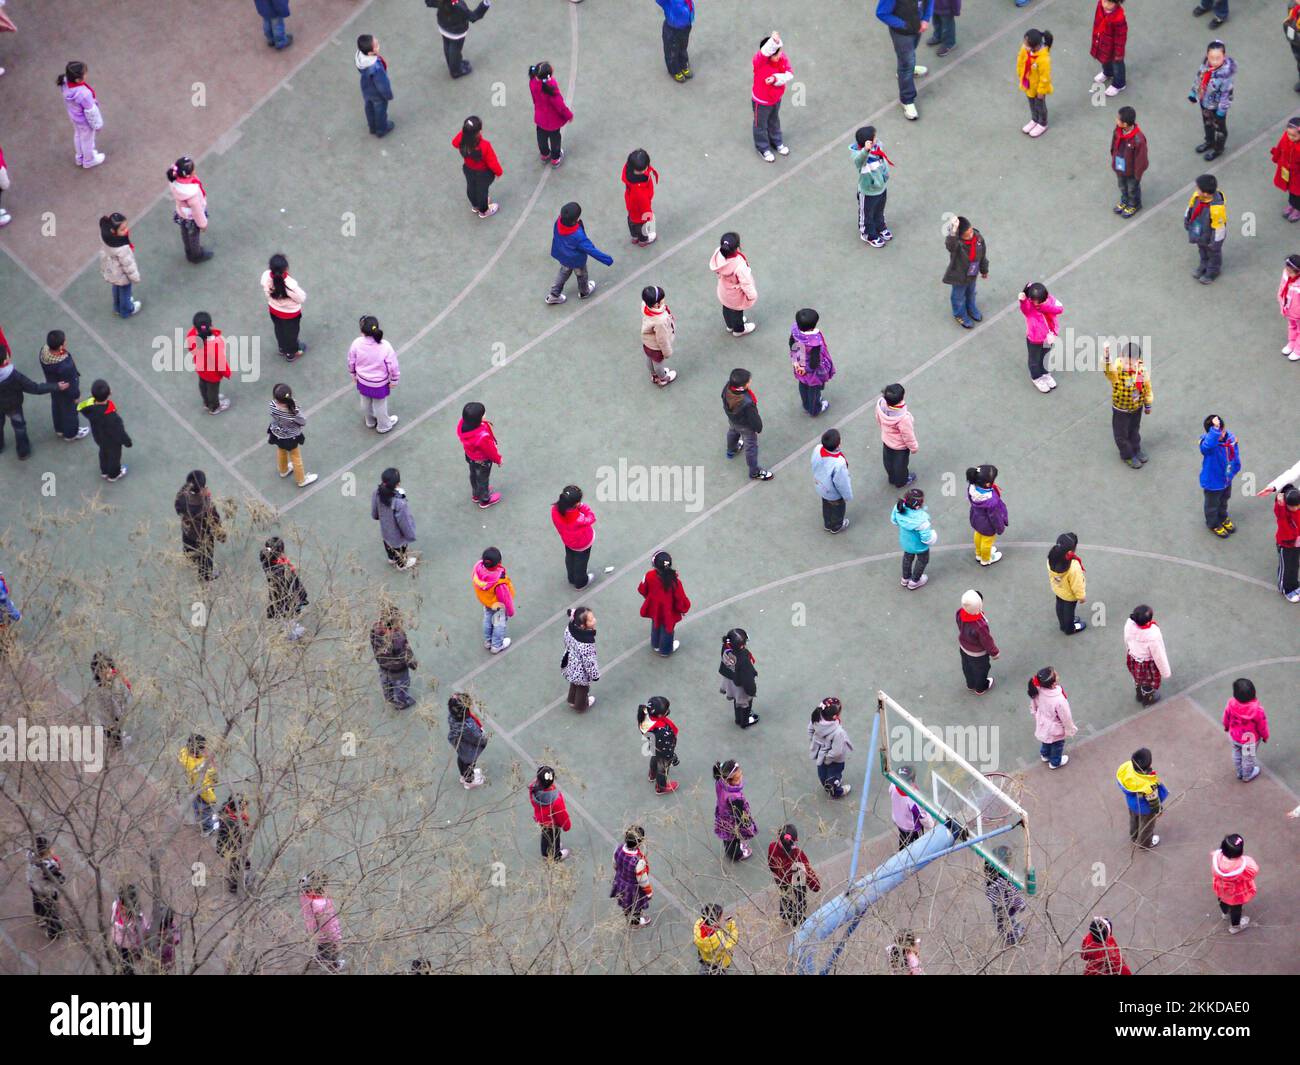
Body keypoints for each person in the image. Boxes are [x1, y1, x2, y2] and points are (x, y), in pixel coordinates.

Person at [1, 343, 65, 461]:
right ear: (5, 360)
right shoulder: (14, 376)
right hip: (13, 405)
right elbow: (35, 388)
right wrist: (55, 386)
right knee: (19, 427)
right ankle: (23, 452)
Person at [545, 201, 612, 304]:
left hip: (563, 256)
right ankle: (584, 291)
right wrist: (607, 259)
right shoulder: (577, 236)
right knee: (581, 274)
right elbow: (591, 250)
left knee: (563, 272)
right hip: (576, 260)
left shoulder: (558, 222)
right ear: (574, 220)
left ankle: (554, 294)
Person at [876, 0, 932, 121]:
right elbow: (882, 13)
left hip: (916, 28)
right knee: (907, 64)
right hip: (902, 33)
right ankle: (907, 100)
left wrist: (925, 19)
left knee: (909, 56)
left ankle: (908, 70)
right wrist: (904, 25)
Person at [1102, 340, 1152, 468]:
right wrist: (1107, 357)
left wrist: (1147, 403)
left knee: (1134, 430)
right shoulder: (1117, 371)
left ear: (1137, 360)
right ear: (1121, 357)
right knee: (1121, 434)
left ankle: (1136, 449)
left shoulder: (1141, 370)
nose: (1128, 365)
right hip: (1121, 409)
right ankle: (1127, 455)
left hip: (1136, 407)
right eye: (1126, 362)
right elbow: (1108, 371)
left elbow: (1146, 387)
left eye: (1131, 363)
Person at [348, 315, 399, 433]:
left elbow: (351, 360)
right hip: (379, 382)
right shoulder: (385, 345)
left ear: (362, 331)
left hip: (362, 379)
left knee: (365, 400)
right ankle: (384, 426)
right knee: (380, 404)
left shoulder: (356, 343)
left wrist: (353, 374)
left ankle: (370, 421)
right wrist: (394, 380)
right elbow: (393, 365)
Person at [722, 368, 773, 481]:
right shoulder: (747, 402)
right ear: (742, 386)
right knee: (751, 447)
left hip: (733, 419)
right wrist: (758, 428)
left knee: (733, 431)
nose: (750, 381)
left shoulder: (727, 387)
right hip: (746, 426)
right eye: (748, 381)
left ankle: (731, 450)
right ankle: (754, 471)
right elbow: (754, 419)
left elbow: (723, 398)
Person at [75, 378, 130, 481]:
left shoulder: (89, 403)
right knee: (114, 457)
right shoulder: (113, 417)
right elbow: (120, 432)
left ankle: (104, 471)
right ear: (110, 393)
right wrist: (127, 442)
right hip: (111, 441)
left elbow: (80, 406)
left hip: (98, 436)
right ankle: (114, 475)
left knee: (103, 452)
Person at [637, 550, 690, 656]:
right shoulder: (675, 582)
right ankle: (665, 650)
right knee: (667, 629)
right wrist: (683, 609)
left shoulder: (649, 575)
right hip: (668, 611)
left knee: (656, 624)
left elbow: (642, 589)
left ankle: (655, 644)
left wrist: (650, 599)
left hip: (654, 607)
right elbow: (680, 599)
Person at [39, 330, 88, 442]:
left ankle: (59, 429)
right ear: (61, 346)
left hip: (53, 387)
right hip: (66, 392)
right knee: (70, 412)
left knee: (57, 407)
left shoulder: (44, 352)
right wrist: (76, 396)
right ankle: (71, 434)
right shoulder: (65, 365)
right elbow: (72, 382)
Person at [768, 825, 821, 927]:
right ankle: (799, 917)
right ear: (794, 841)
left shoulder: (772, 847)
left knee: (785, 897)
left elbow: (771, 865)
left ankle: (785, 915)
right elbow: (808, 872)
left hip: (781, 879)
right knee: (800, 898)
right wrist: (816, 886)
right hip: (797, 879)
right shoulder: (798, 855)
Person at [751, 33, 794, 162]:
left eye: (780, 51)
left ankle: (777, 141)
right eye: (777, 53)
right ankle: (763, 148)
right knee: (760, 125)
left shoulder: (781, 58)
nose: (780, 55)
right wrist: (773, 42)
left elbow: (789, 74)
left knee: (774, 120)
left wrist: (776, 78)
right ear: (769, 54)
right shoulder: (759, 63)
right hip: (761, 102)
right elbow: (763, 53)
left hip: (775, 98)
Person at [174, 471, 224, 580]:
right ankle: (206, 575)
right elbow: (215, 522)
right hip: (202, 536)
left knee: (188, 547)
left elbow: (177, 508)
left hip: (187, 531)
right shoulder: (206, 506)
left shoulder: (182, 496)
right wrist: (221, 536)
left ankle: (190, 558)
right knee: (206, 557)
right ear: (202, 488)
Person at [1189, 42, 1234, 161]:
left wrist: (1221, 112)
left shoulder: (1225, 75)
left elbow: (1227, 95)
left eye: (1218, 58)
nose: (1214, 61)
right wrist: (1194, 92)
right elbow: (1199, 77)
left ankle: (1218, 149)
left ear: (1223, 56)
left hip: (1217, 107)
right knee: (1207, 123)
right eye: (1211, 58)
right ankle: (1209, 141)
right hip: (1205, 102)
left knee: (1220, 128)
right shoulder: (1205, 65)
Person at [942, 216, 988, 328]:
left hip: (972, 274)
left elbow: (982, 255)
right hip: (959, 277)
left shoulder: (978, 238)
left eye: (971, 230)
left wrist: (984, 269)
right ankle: (960, 314)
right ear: (960, 235)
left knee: (971, 293)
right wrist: (954, 229)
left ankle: (971, 307)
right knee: (958, 297)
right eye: (968, 232)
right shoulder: (957, 245)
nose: (971, 233)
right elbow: (950, 244)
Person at [1199, 413, 1241, 537]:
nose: (1221, 434)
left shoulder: (1230, 438)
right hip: (1213, 482)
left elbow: (1235, 454)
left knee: (1224, 499)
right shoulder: (1207, 444)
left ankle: (1223, 517)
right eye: (1218, 431)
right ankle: (1213, 523)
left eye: (1222, 430)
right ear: (1211, 432)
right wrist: (1215, 431)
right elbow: (1207, 446)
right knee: (1212, 505)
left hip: (1226, 478)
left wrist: (1235, 468)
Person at [267, 383, 317, 487]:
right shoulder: (293, 411)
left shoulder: (272, 405)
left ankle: (283, 470)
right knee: (295, 457)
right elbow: (303, 421)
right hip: (291, 437)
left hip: (277, 433)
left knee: (281, 451)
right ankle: (301, 480)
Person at [1116, 747, 1167, 848]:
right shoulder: (1147, 785)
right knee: (1147, 826)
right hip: (1145, 809)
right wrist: (1158, 810)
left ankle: (1134, 836)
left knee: (1134, 819)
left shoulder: (1125, 769)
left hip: (1132, 803)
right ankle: (1145, 843)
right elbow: (1153, 801)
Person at [452, 116, 502, 218]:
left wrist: (464, 132)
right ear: (478, 132)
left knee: (471, 187)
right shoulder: (485, 145)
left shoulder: (462, 140)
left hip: (468, 170)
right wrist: (498, 172)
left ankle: (475, 205)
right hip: (483, 173)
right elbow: (492, 162)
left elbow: (454, 143)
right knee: (482, 191)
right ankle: (484, 210)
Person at [851, 125, 892, 247]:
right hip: (868, 191)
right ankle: (868, 234)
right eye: (874, 137)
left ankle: (880, 227)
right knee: (867, 214)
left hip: (881, 187)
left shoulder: (877, 147)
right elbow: (859, 161)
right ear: (867, 142)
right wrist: (866, 150)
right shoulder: (859, 155)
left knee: (879, 210)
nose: (876, 139)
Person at [58, 61, 104, 168]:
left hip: (74, 117)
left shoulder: (65, 84)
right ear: (78, 79)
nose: (86, 74)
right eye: (85, 73)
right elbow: (91, 111)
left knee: (78, 135)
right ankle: (89, 160)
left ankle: (80, 157)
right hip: (84, 121)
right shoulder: (84, 93)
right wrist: (98, 125)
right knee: (88, 140)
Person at [260, 536, 308, 641]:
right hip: (284, 594)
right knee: (286, 611)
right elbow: (292, 584)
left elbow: (264, 553)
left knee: (281, 610)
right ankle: (291, 634)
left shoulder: (267, 561)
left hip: (276, 593)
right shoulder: (281, 570)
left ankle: (286, 627)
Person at [1028, 667, 1076, 769]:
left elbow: (1034, 704)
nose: (1058, 675)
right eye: (1056, 675)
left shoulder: (1037, 689)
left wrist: (1036, 714)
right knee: (1057, 745)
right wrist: (1069, 729)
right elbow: (1066, 717)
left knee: (1046, 740)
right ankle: (1055, 762)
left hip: (1043, 723)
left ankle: (1045, 755)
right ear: (1053, 683)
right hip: (1055, 727)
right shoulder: (1059, 700)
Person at [371, 605, 419, 709]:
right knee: (401, 687)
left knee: (386, 683)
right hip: (398, 671)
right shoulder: (398, 638)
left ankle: (389, 697)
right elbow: (406, 654)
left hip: (383, 666)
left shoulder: (375, 629)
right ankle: (402, 702)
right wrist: (414, 665)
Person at [789, 307, 834, 416]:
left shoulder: (795, 330)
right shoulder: (814, 342)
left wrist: (798, 364)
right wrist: (808, 369)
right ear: (811, 327)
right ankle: (815, 409)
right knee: (814, 389)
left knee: (803, 384)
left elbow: (791, 343)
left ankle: (805, 405)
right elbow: (814, 363)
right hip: (811, 372)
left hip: (798, 363)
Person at [261, 253, 307, 362]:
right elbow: (301, 298)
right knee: (291, 333)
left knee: (279, 329)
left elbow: (266, 291)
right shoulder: (290, 285)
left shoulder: (266, 276)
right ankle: (291, 353)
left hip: (274, 310)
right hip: (291, 314)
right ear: (286, 268)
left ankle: (282, 348)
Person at [456, 401, 502, 507]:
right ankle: (484, 499)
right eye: (483, 413)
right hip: (483, 461)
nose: (485, 414)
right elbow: (490, 451)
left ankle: (476, 494)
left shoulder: (463, 427)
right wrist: (498, 459)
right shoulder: (482, 436)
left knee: (474, 474)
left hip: (470, 457)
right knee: (483, 479)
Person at [710, 232, 757, 335]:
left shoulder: (718, 253)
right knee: (737, 311)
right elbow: (746, 283)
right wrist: (752, 296)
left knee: (726, 307)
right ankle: (739, 330)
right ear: (737, 247)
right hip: (736, 295)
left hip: (724, 289)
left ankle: (730, 325)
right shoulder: (739, 265)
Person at [1223, 678, 1269, 782]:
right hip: (1250, 739)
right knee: (1249, 758)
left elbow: (1226, 716)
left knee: (1237, 752)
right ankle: (1247, 775)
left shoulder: (1231, 703)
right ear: (1253, 693)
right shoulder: (1258, 710)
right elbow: (1262, 725)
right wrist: (1265, 736)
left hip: (1234, 735)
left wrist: (1226, 726)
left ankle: (1240, 771)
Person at [371, 467, 418, 569]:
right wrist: (410, 535)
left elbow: (375, 512)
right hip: (397, 535)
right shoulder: (399, 502)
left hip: (385, 530)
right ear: (398, 483)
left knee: (387, 543)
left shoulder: (377, 493)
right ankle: (402, 564)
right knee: (400, 547)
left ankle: (391, 558)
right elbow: (404, 522)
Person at [1124, 605, 1172, 705]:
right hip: (1147, 663)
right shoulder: (1152, 634)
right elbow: (1158, 654)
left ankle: (1139, 693)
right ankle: (1148, 698)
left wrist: (1129, 650)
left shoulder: (1129, 625)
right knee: (1148, 681)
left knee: (1138, 677)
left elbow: (1126, 639)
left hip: (1133, 657)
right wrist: (1165, 672)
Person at [1018, 282, 1062, 392]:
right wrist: (1022, 301)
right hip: (1035, 339)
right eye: (1035, 301)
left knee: (1045, 355)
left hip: (1049, 337)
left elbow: (1059, 309)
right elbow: (1024, 309)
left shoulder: (1049, 300)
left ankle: (1045, 373)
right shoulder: (1029, 306)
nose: (1037, 303)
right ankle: (1036, 378)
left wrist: (1044, 306)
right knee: (1034, 359)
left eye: (1040, 301)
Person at [167, 156, 212, 263]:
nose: (195, 170)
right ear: (188, 174)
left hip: (182, 214)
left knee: (184, 232)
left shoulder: (174, 181)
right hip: (192, 218)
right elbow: (197, 212)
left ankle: (188, 250)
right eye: (193, 169)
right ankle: (196, 255)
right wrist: (203, 224)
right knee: (194, 236)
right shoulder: (192, 194)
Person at [891, 487, 936, 590]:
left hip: (906, 542)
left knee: (907, 557)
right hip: (920, 546)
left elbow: (894, 520)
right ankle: (915, 581)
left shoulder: (898, 507)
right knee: (922, 560)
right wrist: (933, 535)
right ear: (917, 506)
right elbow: (927, 539)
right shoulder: (922, 520)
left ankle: (905, 578)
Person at [1185, 173, 1228, 284]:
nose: (1196, 190)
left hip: (1210, 236)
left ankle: (1213, 271)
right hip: (1199, 230)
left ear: (1205, 193)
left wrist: (1215, 243)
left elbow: (1219, 229)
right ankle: (1204, 264)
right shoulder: (1197, 196)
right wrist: (1187, 220)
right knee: (1202, 249)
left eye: (1198, 188)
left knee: (1213, 254)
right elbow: (1190, 208)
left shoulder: (1216, 209)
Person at [551, 484, 596, 588]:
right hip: (582, 543)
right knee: (581, 562)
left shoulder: (554, 510)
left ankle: (571, 577)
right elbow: (591, 517)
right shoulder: (578, 519)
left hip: (568, 541)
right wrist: (582, 506)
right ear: (575, 503)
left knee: (570, 557)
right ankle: (581, 582)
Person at [1211, 834, 1258, 934]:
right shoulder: (1244, 865)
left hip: (1221, 887)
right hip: (1236, 892)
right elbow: (1253, 871)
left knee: (1221, 899)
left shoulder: (1217, 857)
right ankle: (1235, 927)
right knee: (1236, 908)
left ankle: (1225, 913)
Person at [808, 697, 854, 799]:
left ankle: (829, 783)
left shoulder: (816, 717)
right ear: (835, 716)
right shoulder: (838, 732)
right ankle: (837, 792)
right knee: (834, 775)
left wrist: (813, 741)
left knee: (822, 774)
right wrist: (827, 759)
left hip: (820, 753)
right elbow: (837, 752)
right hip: (834, 760)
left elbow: (810, 729)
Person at [186, 312, 231, 415]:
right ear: (210, 324)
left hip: (200, 367)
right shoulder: (215, 343)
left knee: (203, 384)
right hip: (213, 373)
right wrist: (227, 373)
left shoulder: (191, 336)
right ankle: (214, 407)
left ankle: (206, 403)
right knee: (213, 389)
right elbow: (220, 362)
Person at [299, 872, 345, 971]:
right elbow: (327, 925)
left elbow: (301, 883)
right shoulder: (320, 904)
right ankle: (331, 967)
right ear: (321, 888)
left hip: (316, 935)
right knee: (329, 960)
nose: (328, 888)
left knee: (323, 956)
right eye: (326, 885)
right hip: (327, 937)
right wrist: (336, 940)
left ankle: (324, 964)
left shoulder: (306, 898)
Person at [473, 547, 515, 654]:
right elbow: (505, 598)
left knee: (487, 619)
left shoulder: (477, 568)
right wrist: (510, 611)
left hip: (486, 602)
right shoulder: (499, 582)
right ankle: (496, 645)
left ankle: (488, 641)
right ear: (499, 563)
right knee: (499, 624)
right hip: (498, 606)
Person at [956, 589, 999, 694]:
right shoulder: (980, 625)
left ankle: (970, 684)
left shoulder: (959, 613)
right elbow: (986, 640)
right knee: (981, 670)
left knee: (967, 666)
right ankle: (981, 688)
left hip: (963, 647)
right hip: (978, 654)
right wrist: (994, 652)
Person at [98, 213, 141, 318]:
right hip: (122, 274)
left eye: (126, 227)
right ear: (113, 231)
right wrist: (135, 278)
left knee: (116, 287)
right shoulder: (122, 248)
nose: (126, 230)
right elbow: (128, 266)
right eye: (122, 229)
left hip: (111, 271)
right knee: (125, 291)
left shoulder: (105, 236)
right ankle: (127, 310)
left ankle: (117, 307)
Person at [529, 61, 572, 166]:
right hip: (553, 122)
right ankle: (555, 157)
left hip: (540, 118)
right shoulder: (551, 89)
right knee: (555, 138)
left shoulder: (532, 83)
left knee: (541, 136)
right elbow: (560, 106)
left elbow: (535, 99)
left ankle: (544, 154)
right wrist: (569, 115)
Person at [713, 759, 757, 861]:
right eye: (738, 778)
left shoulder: (720, 782)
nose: (741, 778)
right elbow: (741, 815)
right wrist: (748, 827)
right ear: (730, 780)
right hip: (731, 822)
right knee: (733, 839)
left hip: (722, 815)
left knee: (727, 838)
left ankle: (730, 850)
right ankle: (736, 855)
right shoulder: (735, 797)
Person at [434, 0, 491, 78]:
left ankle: (452, 65)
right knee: (455, 50)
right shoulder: (459, 6)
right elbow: (474, 17)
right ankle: (456, 71)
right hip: (456, 32)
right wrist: (485, 4)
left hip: (443, 25)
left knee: (447, 45)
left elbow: (429, 2)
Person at [812, 427, 852, 534]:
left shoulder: (817, 449)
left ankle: (827, 523)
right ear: (839, 444)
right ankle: (837, 526)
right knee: (838, 509)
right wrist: (847, 496)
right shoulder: (839, 463)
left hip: (820, 485)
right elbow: (842, 483)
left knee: (826, 505)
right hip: (833, 492)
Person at [610, 826, 653, 926]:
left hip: (621, 881)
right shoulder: (638, 862)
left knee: (625, 901)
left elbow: (614, 864)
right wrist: (648, 892)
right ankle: (635, 922)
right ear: (640, 842)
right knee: (635, 905)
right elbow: (643, 880)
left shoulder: (618, 848)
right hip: (633, 888)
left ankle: (627, 914)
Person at [637, 696, 679, 794]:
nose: (668, 711)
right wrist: (671, 756)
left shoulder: (645, 717)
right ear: (659, 715)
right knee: (663, 769)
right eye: (666, 710)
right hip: (663, 750)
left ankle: (652, 774)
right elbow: (667, 745)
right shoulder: (662, 731)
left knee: (654, 758)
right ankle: (661, 787)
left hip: (654, 745)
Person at [179, 734, 220, 836]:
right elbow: (207, 783)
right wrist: (212, 799)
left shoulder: (184, 753)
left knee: (198, 809)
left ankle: (206, 821)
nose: (206, 749)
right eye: (203, 748)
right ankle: (209, 829)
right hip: (204, 793)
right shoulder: (196, 768)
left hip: (193, 787)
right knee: (205, 811)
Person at [966, 464, 1007, 565]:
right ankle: (985, 559)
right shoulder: (991, 501)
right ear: (988, 484)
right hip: (987, 525)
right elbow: (995, 517)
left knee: (978, 534)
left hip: (976, 518)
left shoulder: (972, 488)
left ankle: (978, 553)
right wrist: (1000, 527)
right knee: (987, 542)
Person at [1110, 106, 1148, 217]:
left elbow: (1142, 160)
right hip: (1120, 166)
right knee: (1122, 185)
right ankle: (1125, 200)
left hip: (1132, 171)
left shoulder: (1138, 139)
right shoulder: (1117, 131)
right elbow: (1113, 145)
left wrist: (1137, 175)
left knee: (1132, 188)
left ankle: (1134, 204)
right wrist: (1114, 157)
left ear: (1125, 124)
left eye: (1118, 119)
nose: (1116, 120)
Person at [984, 847, 1026, 945]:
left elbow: (1013, 892)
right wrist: (1019, 904)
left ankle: (1012, 938)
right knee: (1006, 919)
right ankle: (1013, 935)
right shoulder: (1004, 877)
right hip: (1001, 901)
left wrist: (1019, 903)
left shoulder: (994, 874)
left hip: (1002, 902)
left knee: (1004, 922)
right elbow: (1013, 892)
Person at [26, 836, 66, 940]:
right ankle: (54, 932)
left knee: (37, 901)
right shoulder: (50, 866)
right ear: (46, 852)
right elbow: (60, 879)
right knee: (51, 911)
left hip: (34, 884)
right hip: (46, 890)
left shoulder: (31, 855)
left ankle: (40, 918)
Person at [1047, 532, 1087, 635]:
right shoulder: (1073, 567)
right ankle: (1069, 629)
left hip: (1058, 589)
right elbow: (1077, 584)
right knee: (1069, 610)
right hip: (1069, 595)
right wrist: (1081, 597)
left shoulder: (1051, 559)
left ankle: (1062, 625)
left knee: (1059, 605)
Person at [529, 765, 572, 861]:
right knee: (554, 839)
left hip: (541, 820)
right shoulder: (556, 798)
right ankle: (556, 855)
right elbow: (561, 815)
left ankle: (545, 854)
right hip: (552, 825)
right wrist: (566, 826)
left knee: (545, 836)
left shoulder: (533, 788)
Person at [1016, 29, 1054, 138]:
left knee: (1040, 105)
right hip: (1028, 83)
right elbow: (1020, 58)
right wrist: (1020, 74)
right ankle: (1034, 119)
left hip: (1038, 88)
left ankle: (1042, 123)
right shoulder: (1026, 49)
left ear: (1036, 46)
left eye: (1027, 44)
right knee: (1031, 103)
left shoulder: (1043, 59)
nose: (1024, 45)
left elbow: (1045, 77)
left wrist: (1041, 91)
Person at [718, 628, 759, 727]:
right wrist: (752, 691)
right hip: (740, 686)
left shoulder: (725, 647)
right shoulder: (743, 658)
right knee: (745, 704)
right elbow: (747, 679)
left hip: (729, 680)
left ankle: (737, 718)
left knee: (737, 700)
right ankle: (744, 722)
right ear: (742, 645)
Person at [89, 651, 130, 749]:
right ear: (99, 674)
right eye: (106, 669)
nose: (111, 671)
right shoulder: (104, 692)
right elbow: (117, 712)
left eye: (110, 668)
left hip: (106, 723)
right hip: (110, 725)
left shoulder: (102, 689)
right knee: (117, 744)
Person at [356, 34, 394, 137]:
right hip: (377, 93)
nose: (378, 45)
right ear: (370, 53)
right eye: (376, 45)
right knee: (380, 110)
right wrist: (388, 95)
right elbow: (382, 84)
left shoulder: (360, 57)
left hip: (366, 88)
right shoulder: (376, 67)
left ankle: (372, 126)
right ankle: (382, 129)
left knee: (369, 107)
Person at [447, 692, 488, 788]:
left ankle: (463, 776)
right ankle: (469, 781)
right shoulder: (468, 726)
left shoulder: (452, 716)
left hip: (459, 743)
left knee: (462, 758)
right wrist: (484, 739)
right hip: (468, 748)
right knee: (469, 762)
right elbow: (477, 738)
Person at [561, 605, 600, 708]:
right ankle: (580, 705)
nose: (594, 620)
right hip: (581, 670)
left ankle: (571, 699)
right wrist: (595, 675)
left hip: (570, 661)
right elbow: (589, 662)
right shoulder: (586, 643)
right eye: (591, 620)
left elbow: (566, 641)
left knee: (574, 683)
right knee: (582, 688)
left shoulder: (570, 628)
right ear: (583, 625)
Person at [1268, 480, 1300, 601]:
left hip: (1296, 543)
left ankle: (1294, 584)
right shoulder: (1283, 512)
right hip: (1285, 544)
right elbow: (1279, 513)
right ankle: (1285, 588)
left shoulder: (1297, 508)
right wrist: (1280, 503)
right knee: (1286, 567)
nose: (1295, 508)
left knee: (1295, 564)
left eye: (1298, 505)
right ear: (1286, 504)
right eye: (1292, 506)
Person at [639, 285, 677, 386]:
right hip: (656, 347)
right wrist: (667, 352)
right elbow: (662, 339)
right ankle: (663, 378)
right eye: (662, 300)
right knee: (658, 363)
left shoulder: (645, 306)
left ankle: (654, 375)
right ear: (656, 304)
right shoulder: (660, 321)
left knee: (649, 358)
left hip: (647, 343)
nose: (664, 300)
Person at [890, 765, 934, 847]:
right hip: (912, 828)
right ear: (911, 781)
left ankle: (902, 853)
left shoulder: (893, 785)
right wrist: (932, 824)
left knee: (903, 840)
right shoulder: (913, 799)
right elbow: (923, 817)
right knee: (918, 845)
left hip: (899, 822)